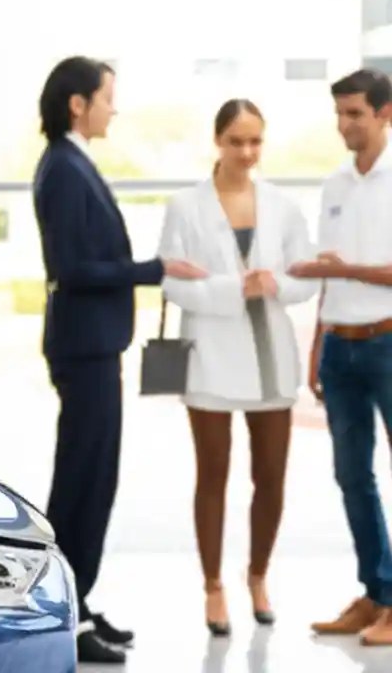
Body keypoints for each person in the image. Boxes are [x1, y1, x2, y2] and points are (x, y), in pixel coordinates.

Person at [33, 55, 205, 665]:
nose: (114, 108)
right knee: (82, 482)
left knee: (94, 480)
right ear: (78, 104)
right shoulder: (63, 168)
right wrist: (154, 270)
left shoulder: (73, 162)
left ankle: (76, 601)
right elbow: (73, 268)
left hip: (94, 345)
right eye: (107, 98)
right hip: (84, 348)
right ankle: (63, 613)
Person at [156, 99, 319, 636]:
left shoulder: (283, 206)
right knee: (212, 476)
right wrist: (233, 289)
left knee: (270, 476)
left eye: (255, 142)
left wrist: (275, 284)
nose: (247, 153)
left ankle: (258, 576)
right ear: (217, 141)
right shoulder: (186, 206)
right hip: (210, 358)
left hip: (270, 358)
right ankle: (213, 586)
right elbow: (173, 282)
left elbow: (306, 277)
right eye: (236, 142)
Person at [289, 69, 392, 646]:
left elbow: (342, 268)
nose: (344, 124)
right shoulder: (333, 185)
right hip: (340, 348)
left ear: (385, 113)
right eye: (339, 113)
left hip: (389, 342)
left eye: (355, 113)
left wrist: (343, 269)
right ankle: (378, 592)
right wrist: (317, 343)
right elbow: (328, 277)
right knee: (352, 475)